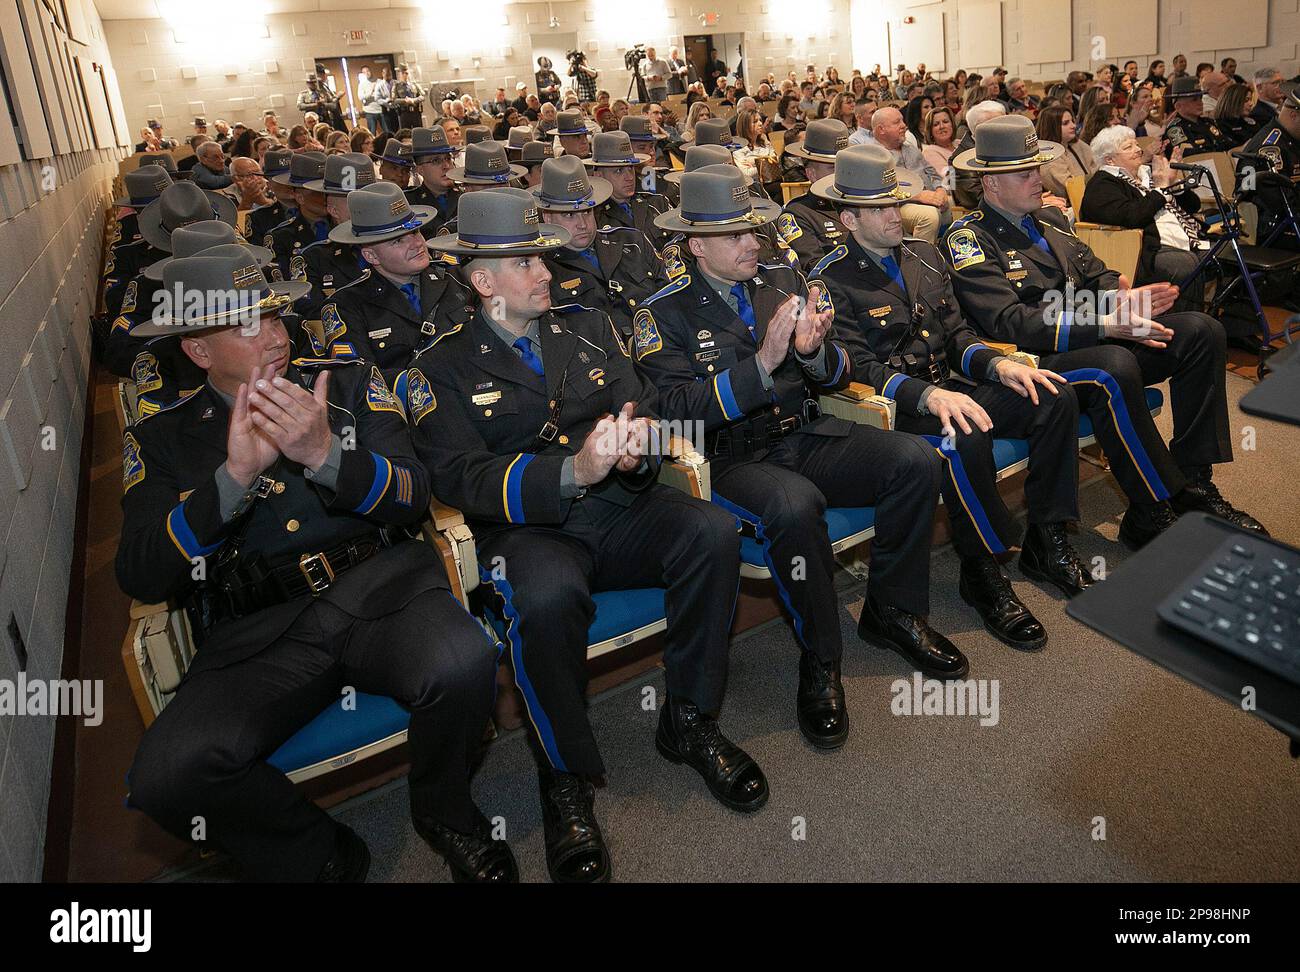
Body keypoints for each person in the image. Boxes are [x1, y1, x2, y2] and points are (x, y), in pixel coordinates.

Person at [402, 188, 766, 883]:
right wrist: (571, 469)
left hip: (618, 506)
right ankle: (564, 778)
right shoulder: (437, 369)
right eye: (523, 263)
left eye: (542, 258)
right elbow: (459, 478)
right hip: (530, 530)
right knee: (545, 600)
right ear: (482, 282)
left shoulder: (591, 326)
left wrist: (639, 446)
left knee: (713, 532)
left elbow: (649, 410)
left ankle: (688, 718)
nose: (544, 273)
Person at [118, 243, 511, 884]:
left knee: (465, 660)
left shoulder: (349, 384)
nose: (274, 337)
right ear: (197, 350)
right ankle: (319, 855)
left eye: (275, 317)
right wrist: (231, 480)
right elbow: (141, 574)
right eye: (247, 325)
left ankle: (446, 811)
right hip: (259, 632)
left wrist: (327, 456)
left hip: (380, 588)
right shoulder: (162, 438)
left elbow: (413, 493)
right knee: (168, 775)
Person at [635, 165, 967, 710]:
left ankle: (892, 611)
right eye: (734, 235)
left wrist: (814, 354)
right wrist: (762, 365)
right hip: (733, 457)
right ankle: (821, 657)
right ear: (695, 245)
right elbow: (674, 412)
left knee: (914, 460)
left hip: (804, 432)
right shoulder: (661, 312)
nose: (751, 243)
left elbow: (838, 374)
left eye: (752, 229)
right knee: (794, 506)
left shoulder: (782, 281)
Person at [812, 144, 1090, 650]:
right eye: (879, 208)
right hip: (896, 407)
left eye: (895, 202)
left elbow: (958, 334)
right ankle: (983, 571)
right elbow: (859, 369)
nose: (895, 214)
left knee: (1052, 395)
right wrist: (928, 397)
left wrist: (997, 364)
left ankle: (1048, 539)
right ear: (849, 218)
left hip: (952, 385)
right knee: (967, 434)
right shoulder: (828, 278)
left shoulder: (925, 254)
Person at [943, 114, 1264, 546]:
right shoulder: (968, 238)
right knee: (1113, 363)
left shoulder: (1051, 222)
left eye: (1037, 168)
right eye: (1025, 173)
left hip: (1096, 334)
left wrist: (1125, 299)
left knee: (1201, 331)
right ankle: (1152, 507)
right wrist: (1106, 323)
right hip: (1036, 362)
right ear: (990, 183)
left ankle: (1194, 479)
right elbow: (1009, 322)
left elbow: (1098, 275)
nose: (1039, 179)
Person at [312, 182, 474, 374]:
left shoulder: (457, 278)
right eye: (398, 240)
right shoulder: (348, 306)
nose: (417, 244)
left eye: (415, 232)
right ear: (371, 256)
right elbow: (356, 378)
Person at [532, 155, 664, 340]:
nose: (582, 224)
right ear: (548, 218)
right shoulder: (543, 271)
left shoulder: (632, 241)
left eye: (586, 211)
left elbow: (671, 296)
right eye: (569, 215)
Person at [1082, 126, 1207, 311]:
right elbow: (1133, 216)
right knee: (1186, 264)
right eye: (1128, 147)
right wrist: (1161, 188)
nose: (1138, 149)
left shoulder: (1146, 174)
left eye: (1136, 144)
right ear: (1109, 159)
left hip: (1182, 239)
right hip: (1142, 250)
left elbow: (1193, 206)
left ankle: (1229, 326)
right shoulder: (1102, 184)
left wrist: (1173, 184)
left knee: (1226, 251)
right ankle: (1190, 326)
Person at [777, 119, 852, 270]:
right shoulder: (799, 213)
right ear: (811, 174)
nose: (842, 174)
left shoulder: (859, 203)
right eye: (832, 168)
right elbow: (813, 267)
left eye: (845, 166)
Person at [867, 107, 948, 243]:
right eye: (897, 122)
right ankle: (919, 258)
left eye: (903, 121)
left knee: (949, 202)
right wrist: (918, 196)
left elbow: (931, 172)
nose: (904, 126)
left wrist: (940, 189)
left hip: (928, 196)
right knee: (929, 216)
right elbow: (882, 190)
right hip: (896, 207)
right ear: (881, 130)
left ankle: (944, 251)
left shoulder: (910, 147)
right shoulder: (873, 156)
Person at [1237, 87, 1300, 251]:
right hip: (1275, 228)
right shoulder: (1269, 147)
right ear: (1294, 114)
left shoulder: (1291, 139)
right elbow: (1278, 203)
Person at [586, 130, 670, 247]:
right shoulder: (593, 218)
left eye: (630, 168)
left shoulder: (657, 203)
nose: (630, 177)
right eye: (619, 171)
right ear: (599, 176)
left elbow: (679, 242)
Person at [405, 127, 460, 234]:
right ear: (420, 169)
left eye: (448, 158)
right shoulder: (409, 203)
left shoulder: (466, 196)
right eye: (436, 160)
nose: (446, 166)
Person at [1163, 76, 1236, 157]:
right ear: (1178, 106)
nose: (1200, 102)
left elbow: (1227, 144)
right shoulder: (1175, 129)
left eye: (1200, 98)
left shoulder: (1208, 122)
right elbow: (1187, 155)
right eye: (1194, 100)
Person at [1036, 104, 1097, 200]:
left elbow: (1095, 168)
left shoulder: (1078, 144)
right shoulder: (1048, 156)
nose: (1073, 126)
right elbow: (1069, 186)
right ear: (1051, 127)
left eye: (1072, 121)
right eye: (1065, 123)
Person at [1214, 83, 1258, 147]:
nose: (1251, 104)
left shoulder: (1250, 120)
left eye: (1250, 99)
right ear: (1233, 101)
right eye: (1246, 100)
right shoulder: (1221, 125)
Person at [921, 106, 958, 181]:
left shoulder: (960, 143)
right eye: (936, 124)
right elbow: (950, 178)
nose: (942, 126)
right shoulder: (929, 152)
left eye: (945, 122)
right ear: (930, 131)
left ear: (952, 125)